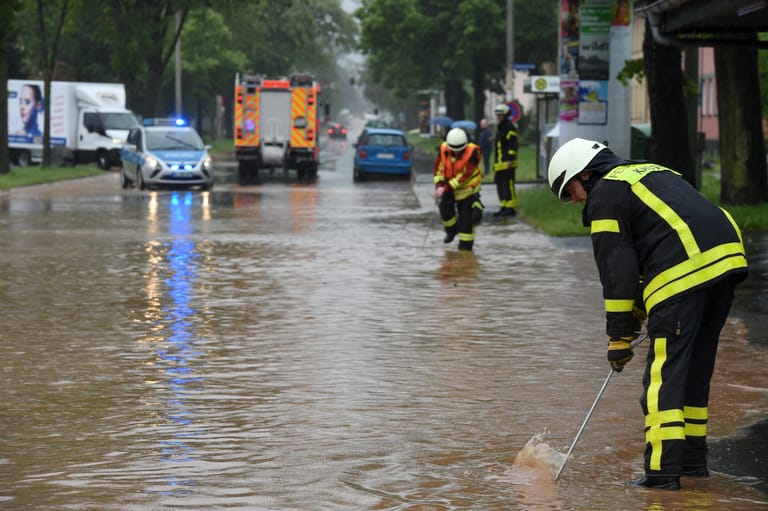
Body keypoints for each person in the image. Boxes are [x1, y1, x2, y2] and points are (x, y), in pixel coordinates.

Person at [547, 138, 749, 491]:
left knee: (662, 379)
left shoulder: (606, 194)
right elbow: (655, 248)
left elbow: (617, 271)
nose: (574, 201)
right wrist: (639, 311)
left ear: (587, 174)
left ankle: (660, 476)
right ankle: (692, 466)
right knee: (694, 374)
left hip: (685, 272)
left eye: (571, 190)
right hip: (726, 263)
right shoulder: (648, 172)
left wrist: (619, 336)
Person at [434, 128, 484, 251]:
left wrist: (446, 187)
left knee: (466, 221)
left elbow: (465, 175)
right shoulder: (443, 149)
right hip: (448, 189)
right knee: (445, 210)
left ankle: (465, 249)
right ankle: (451, 231)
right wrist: (439, 185)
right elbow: (439, 169)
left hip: (467, 192)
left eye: (459, 150)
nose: (456, 153)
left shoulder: (473, 153)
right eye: (453, 150)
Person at [492, 104, 518, 217]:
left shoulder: (510, 127)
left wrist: (510, 160)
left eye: (500, 114)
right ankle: (503, 206)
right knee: (500, 185)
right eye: (497, 114)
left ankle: (511, 208)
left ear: (505, 115)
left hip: (507, 163)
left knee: (508, 185)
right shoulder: (500, 128)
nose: (498, 116)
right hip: (499, 163)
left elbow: (513, 144)